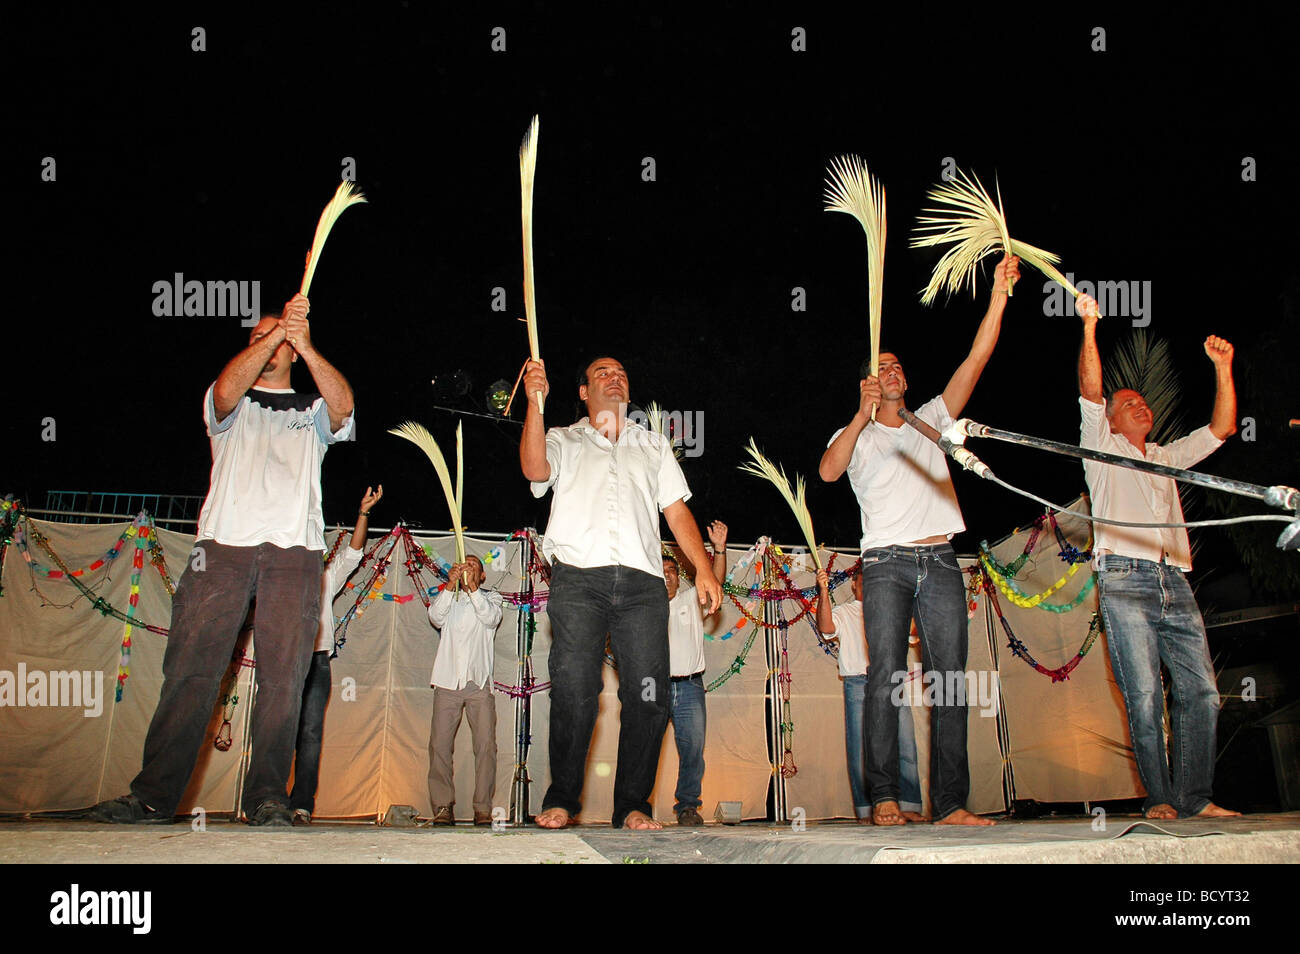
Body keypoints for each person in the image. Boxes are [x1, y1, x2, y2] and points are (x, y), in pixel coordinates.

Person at [90, 294, 355, 826]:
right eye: (258, 336)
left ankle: (267, 797)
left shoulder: (312, 409)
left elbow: (344, 405)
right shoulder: (227, 404)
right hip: (222, 549)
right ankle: (153, 797)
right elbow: (228, 387)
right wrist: (275, 335)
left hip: (295, 554)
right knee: (191, 670)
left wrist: (303, 341)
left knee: (284, 679)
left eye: (277, 338)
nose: (269, 342)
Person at [818, 255, 1019, 827]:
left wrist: (999, 296)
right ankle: (884, 796)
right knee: (884, 674)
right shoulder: (851, 435)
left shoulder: (933, 418)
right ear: (867, 383)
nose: (895, 372)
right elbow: (830, 473)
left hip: (940, 557)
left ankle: (951, 803)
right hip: (884, 564)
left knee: (949, 676)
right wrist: (860, 415)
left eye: (898, 365)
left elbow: (976, 358)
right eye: (883, 367)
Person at [520, 356, 722, 830]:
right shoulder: (562, 437)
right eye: (601, 373)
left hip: (641, 585)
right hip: (578, 580)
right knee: (574, 689)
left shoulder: (652, 444)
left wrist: (705, 570)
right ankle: (562, 800)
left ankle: (633, 804)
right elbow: (534, 471)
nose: (615, 376)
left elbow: (675, 512)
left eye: (621, 372)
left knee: (649, 696)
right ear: (585, 393)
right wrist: (534, 403)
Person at [1076, 293, 1240, 820]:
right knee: (1144, 694)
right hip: (1124, 579)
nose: (1141, 406)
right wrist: (1089, 327)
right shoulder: (1099, 447)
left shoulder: (1168, 457)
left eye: (1143, 402)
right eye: (1128, 405)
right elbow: (1090, 389)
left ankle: (1195, 795)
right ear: (1111, 420)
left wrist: (1223, 368)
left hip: (1176, 580)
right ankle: (1162, 797)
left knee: (1203, 692)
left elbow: (1222, 429)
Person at [289, 484, 382, 825]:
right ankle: (267, 799)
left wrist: (363, 513)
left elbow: (354, 553)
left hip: (316, 663)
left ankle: (300, 805)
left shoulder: (326, 578)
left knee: (310, 734)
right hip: (285, 663)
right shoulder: (281, 582)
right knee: (276, 729)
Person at [815, 568, 926, 823]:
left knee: (904, 741)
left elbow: (913, 633)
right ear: (854, 585)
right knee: (860, 748)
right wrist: (823, 591)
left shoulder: (891, 609)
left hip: (891, 679)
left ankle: (909, 805)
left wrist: (913, 599)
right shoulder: (845, 611)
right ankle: (866, 810)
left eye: (874, 581)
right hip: (858, 681)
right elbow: (826, 627)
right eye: (863, 581)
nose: (868, 585)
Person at [426, 555, 505, 827]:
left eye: (474, 565)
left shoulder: (491, 598)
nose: (468, 568)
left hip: (479, 684)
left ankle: (483, 808)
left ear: (482, 576)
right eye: (464, 564)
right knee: (439, 747)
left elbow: (490, 618)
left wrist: (472, 590)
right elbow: (435, 617)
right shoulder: (449, 598)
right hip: (447, 681)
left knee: (486, 748)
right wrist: (450, 586)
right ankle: (442, 807)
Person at [663, 520, 728, 826]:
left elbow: (715, 581)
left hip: (689, 686)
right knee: (644, 745)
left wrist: (719, 549)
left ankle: (688, 807)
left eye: (672, 571)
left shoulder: (691, 598)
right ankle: (635, 804)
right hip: (654, 686)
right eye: (661, 571)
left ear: (679, 577)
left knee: (693, 750)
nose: (667, 575)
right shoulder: (645, 606)